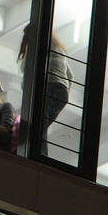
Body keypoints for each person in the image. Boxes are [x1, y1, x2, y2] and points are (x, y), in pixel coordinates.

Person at [18, 24, 73, 156]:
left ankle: (39, 157)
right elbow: (70, 75)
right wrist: (65, 91)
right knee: (40, 126)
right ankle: (38, 154)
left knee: (38, 125)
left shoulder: (37, 46)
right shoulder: (59, 48)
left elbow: (28, 71)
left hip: (49, 87)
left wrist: (26, 90)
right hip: (62, 91)